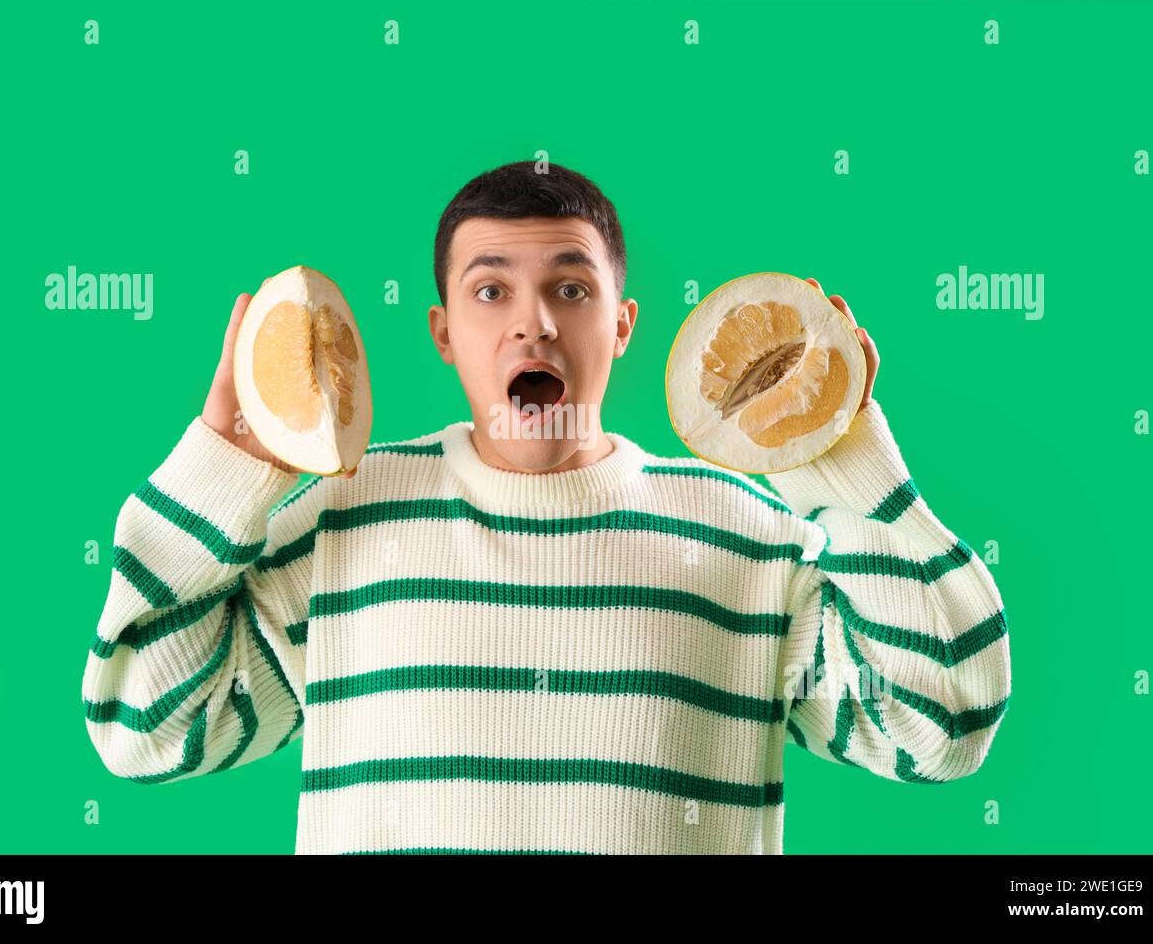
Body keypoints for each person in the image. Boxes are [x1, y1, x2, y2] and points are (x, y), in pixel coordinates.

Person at [81, 160, 1011, 854]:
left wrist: (837, 461)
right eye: (492, 291)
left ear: (621, 324)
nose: (535, 322)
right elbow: (145, 731)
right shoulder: (343, 523)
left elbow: (940, 729)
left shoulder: (751, 540)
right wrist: (224, 477)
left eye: (572, 287)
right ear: (445, 332)